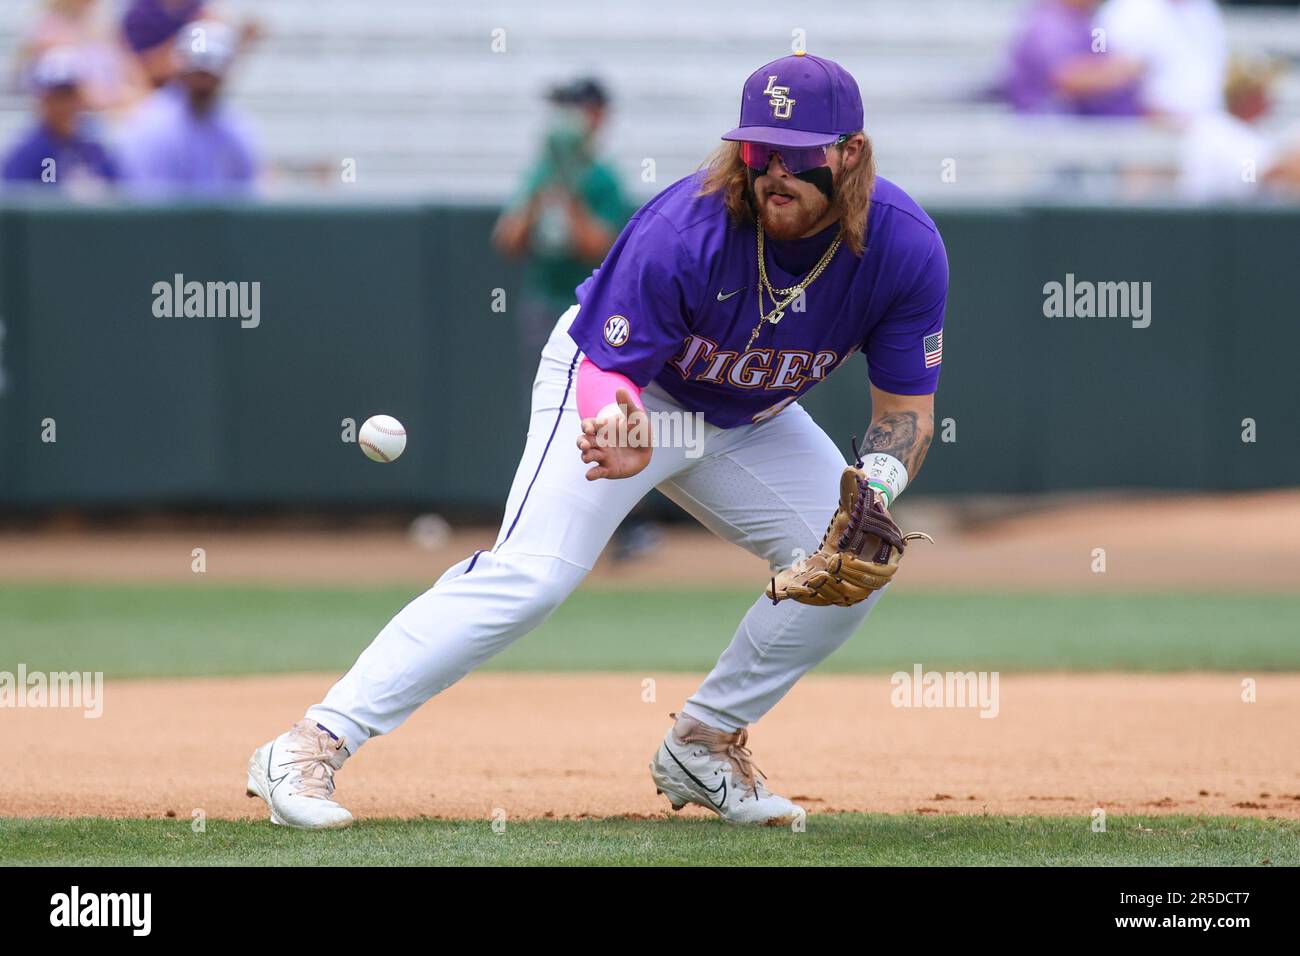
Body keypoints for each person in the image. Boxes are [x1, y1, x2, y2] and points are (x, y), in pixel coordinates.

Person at [246, 52, 948, 829]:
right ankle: (310, 745)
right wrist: (614, 422)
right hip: (631, 391)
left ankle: (702, 743)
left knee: (848, 562)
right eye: (760, 149)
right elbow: (608, 367)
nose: (775, 169)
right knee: (533, 575)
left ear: (851, 152)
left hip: (752, 420)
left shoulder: (904, 247)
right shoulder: (686, 227)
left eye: (799, 152)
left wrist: (875, 489)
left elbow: (906, 412)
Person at [116, 19, 258, 197]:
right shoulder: (150, 125)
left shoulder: (235, 128)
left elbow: (246, 198)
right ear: (180, 66)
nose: (204, 77)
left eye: (210, 68)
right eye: (197, 67)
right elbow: (145, 207)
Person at [2, 45, 120, 193]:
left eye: (70, 94)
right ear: (43, 99)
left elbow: (118, 193)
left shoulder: (94, 148)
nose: (66, 104)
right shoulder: (27, 154)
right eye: (58, 95)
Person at [1179, 58, 1300, 200]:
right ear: (1247, 96)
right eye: (1263, 93)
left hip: (1240, 216)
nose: (1269, 99)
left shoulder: (1255, 131)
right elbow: (1247, 178)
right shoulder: (1215, 130)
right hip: (1212, 218)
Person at [1096, 0, 1227, 124]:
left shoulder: (1204, 8)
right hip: (1148, 134)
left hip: (1210, 125)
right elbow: (1107, 77)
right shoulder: (1127, 9)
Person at [1004, 0, 1143, 115]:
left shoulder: (1085, 21)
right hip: (1054, 131)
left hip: (1098, 128)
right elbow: (1067, 77)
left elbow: (1100, 58)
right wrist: (1122, 71)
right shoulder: (1050, 23)